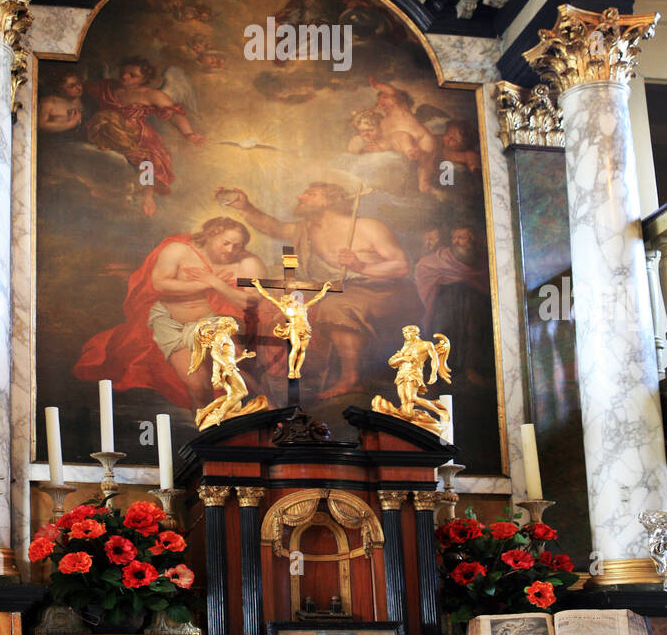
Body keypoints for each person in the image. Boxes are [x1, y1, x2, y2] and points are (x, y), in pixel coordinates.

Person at [216, 180, 416, 399]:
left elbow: (401, 265)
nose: (301, 197)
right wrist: (244, 207)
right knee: (276, 302)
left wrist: (361, 266)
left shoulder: (366, 226)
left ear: (331, 200)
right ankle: (283, 376)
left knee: (336, 306)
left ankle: (351, 379)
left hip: (379, 290)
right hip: (333, 289)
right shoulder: (306, 229)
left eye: (310, 194)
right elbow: (274, 227)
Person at [73, 217, 266, 410]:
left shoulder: (247, 262)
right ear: (210, 236)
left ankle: (270, 411)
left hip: (209, 322)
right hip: (171, 323)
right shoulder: (178, 250)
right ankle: (205, 432)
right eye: (226, 243)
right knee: (197, 386)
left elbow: (251, 302)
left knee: (235, 368)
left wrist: (217, 283)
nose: (230, 250)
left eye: (237, 246)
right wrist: (204, 283)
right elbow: (160, 284)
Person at [415, 224, 498, 471]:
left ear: (472, 239)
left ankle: (470, 369)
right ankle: (439, 374)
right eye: (456, 237)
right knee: (441, 338)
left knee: (472, 334)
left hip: (471, 302)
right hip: (446, 302)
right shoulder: (442, 258)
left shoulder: (480, 261)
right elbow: (423, 269)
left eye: (464, 237)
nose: (460, 241)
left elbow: (483, 278)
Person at [83, 59, 204, 215]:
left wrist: (188, 133)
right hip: (105, 130)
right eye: (123, 73)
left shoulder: (151, 94)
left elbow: (174, 115)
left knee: (148, 161)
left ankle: (147, 196)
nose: (125, 77)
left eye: (132, 75)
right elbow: (81, 89)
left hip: (137, 134)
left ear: (144, 79)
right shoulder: (107, 86)